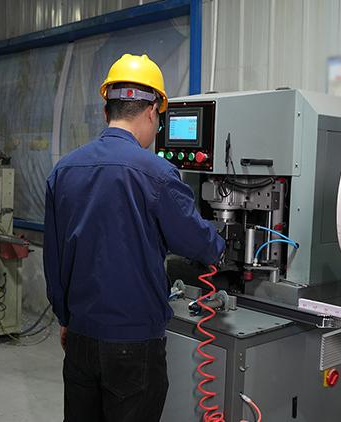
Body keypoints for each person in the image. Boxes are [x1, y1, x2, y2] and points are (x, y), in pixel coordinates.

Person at [43, 53, 225, 422]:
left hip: (80, 337)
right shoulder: (158, 173)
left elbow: (54, 258)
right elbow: (196, 243)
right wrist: (220, 242)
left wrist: (65, 318)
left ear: (105, 110)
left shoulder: (63, 170)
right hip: (134, 344)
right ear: (152, 111)